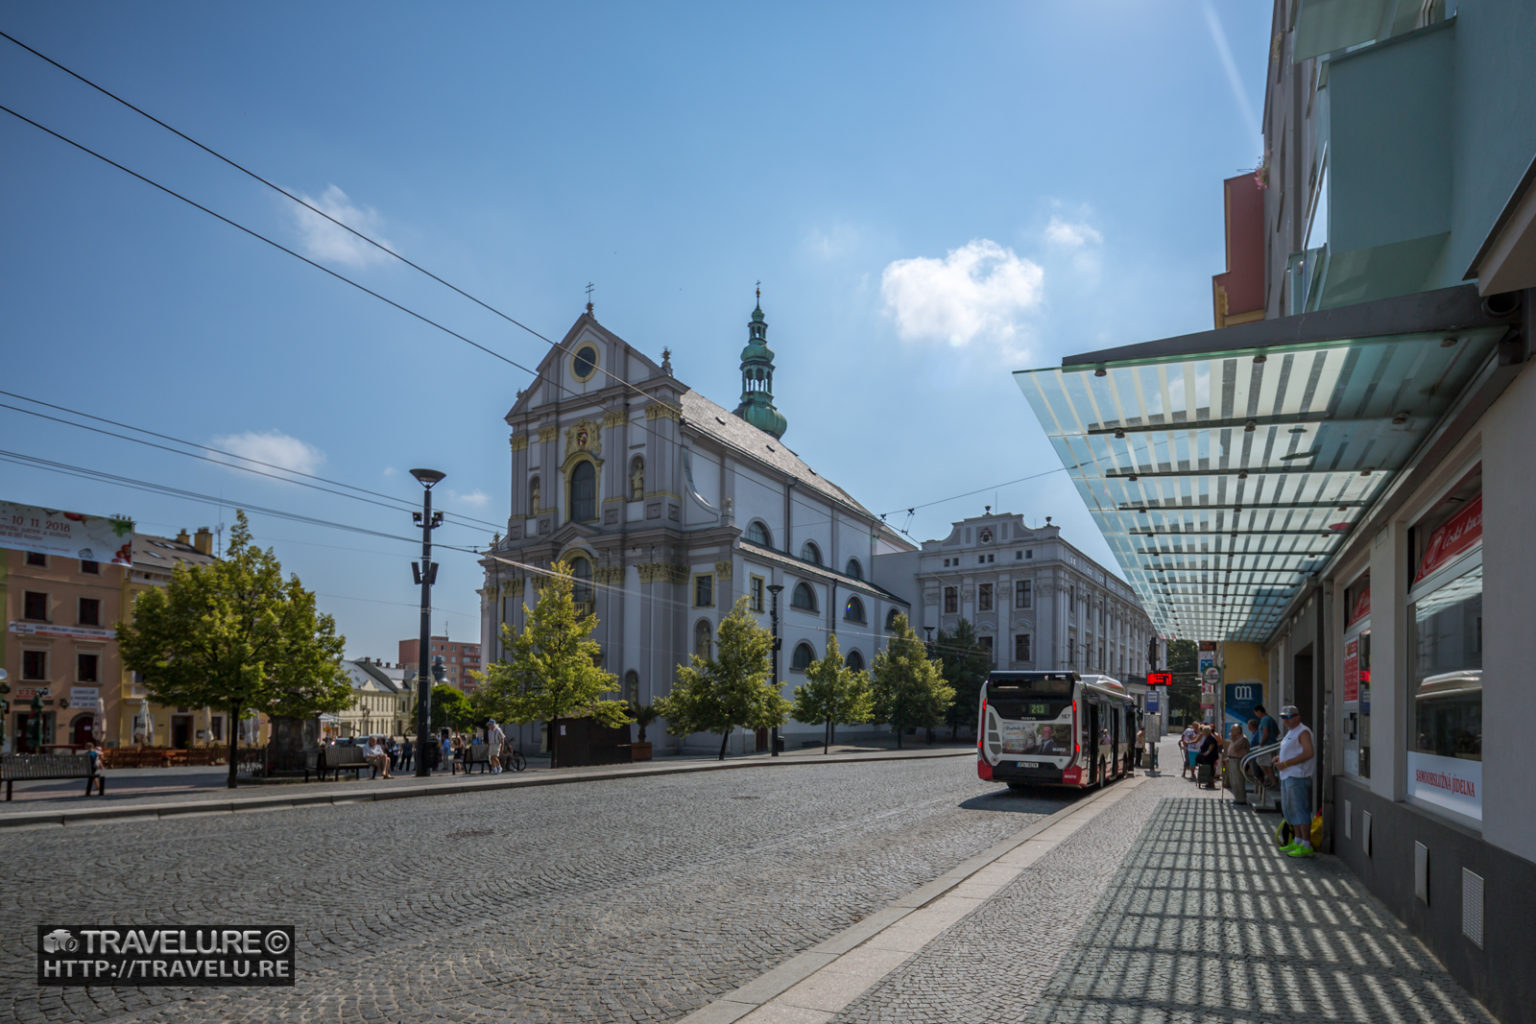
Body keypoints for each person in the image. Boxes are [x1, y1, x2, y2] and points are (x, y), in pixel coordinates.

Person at [1275, 705, 1316, 857]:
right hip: (1288, 776)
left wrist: (1285, 763)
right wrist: (1280, 758)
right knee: (1291, 810)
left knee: (1300, 810)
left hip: (1298, 776)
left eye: (1288, 717)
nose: (1285, 720)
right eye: (1283, 717)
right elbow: (1294, 751)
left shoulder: (1303, 731)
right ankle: (1297, 840)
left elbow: (1308, 753)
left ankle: (1306, 843)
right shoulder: (1291, 732)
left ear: (1297, 717)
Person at [1223, 723, 1250, 804]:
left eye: (1233, 730)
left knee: (1238, 780)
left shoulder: (1242, 739)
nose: (1231, 731)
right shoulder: (1235, 738)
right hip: (1232, 760)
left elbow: (1236, 748)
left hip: (1238, 760)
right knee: (1233, 780)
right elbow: (1232, 751)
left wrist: (1232, 738)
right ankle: (1237, 797)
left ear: (1238, 731)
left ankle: (1241, 798)